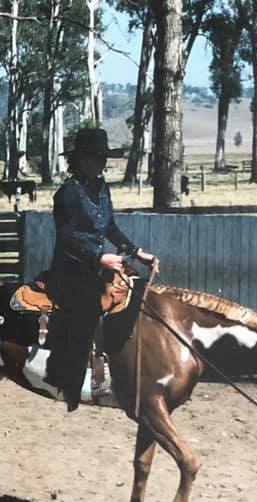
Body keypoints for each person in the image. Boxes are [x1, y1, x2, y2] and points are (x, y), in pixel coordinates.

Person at [44, 128, 158, 411]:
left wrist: (136, 252)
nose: (101, 163)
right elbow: (67, 238)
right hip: (70, 269)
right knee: (87, 307)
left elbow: (110, 227)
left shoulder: (102, 188)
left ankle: (126, 367)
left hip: (97, 265)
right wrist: (99, 257)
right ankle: (76, 382)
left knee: (134, 294)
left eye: (103, 158)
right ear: (80, 159)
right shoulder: (67, 193)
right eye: (95, 158)